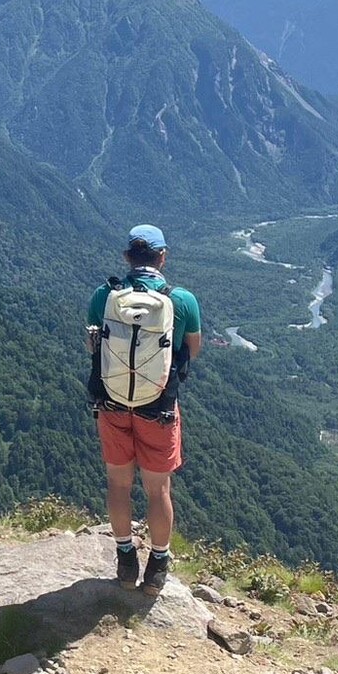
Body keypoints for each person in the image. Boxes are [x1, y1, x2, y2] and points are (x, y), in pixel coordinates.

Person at [85, 223, 202, 594]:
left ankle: (125, 560)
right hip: (159, 406)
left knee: (119, 484)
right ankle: (157, 567)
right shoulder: (181, 300)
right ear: (162, 257)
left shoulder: (105, 295)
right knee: (158, 490)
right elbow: (192, 350)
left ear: (127, 257)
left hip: (113, 402)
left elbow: (94, 346)